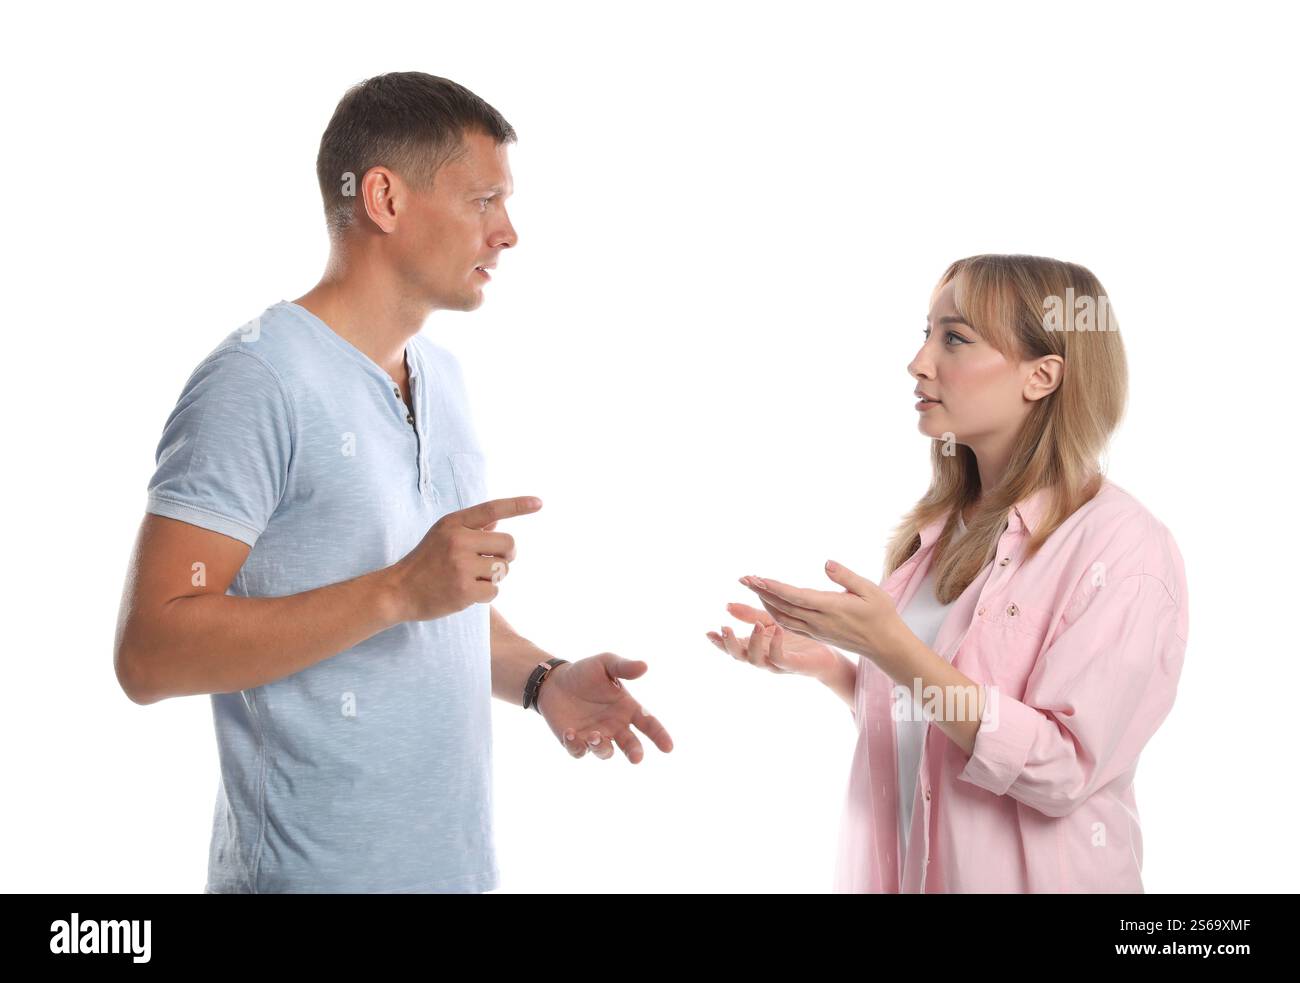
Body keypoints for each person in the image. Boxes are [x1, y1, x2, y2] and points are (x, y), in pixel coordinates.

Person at [113, 71, 672, 894]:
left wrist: (542, 678)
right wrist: (395, 592)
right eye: (484, 200)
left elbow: (431, 608)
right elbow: (150, 652)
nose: (508, 231)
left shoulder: (442, 377)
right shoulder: (254, 380)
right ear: (384, 197)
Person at [707, 254, 1188, 892]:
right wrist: (833, 667)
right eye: (926, 333)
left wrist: (892, 647)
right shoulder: (938, 531)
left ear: (1042, 376)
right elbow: (933, 726)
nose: (919, 363)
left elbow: (1063, 769)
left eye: (954, 338)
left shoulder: (1124, 549)